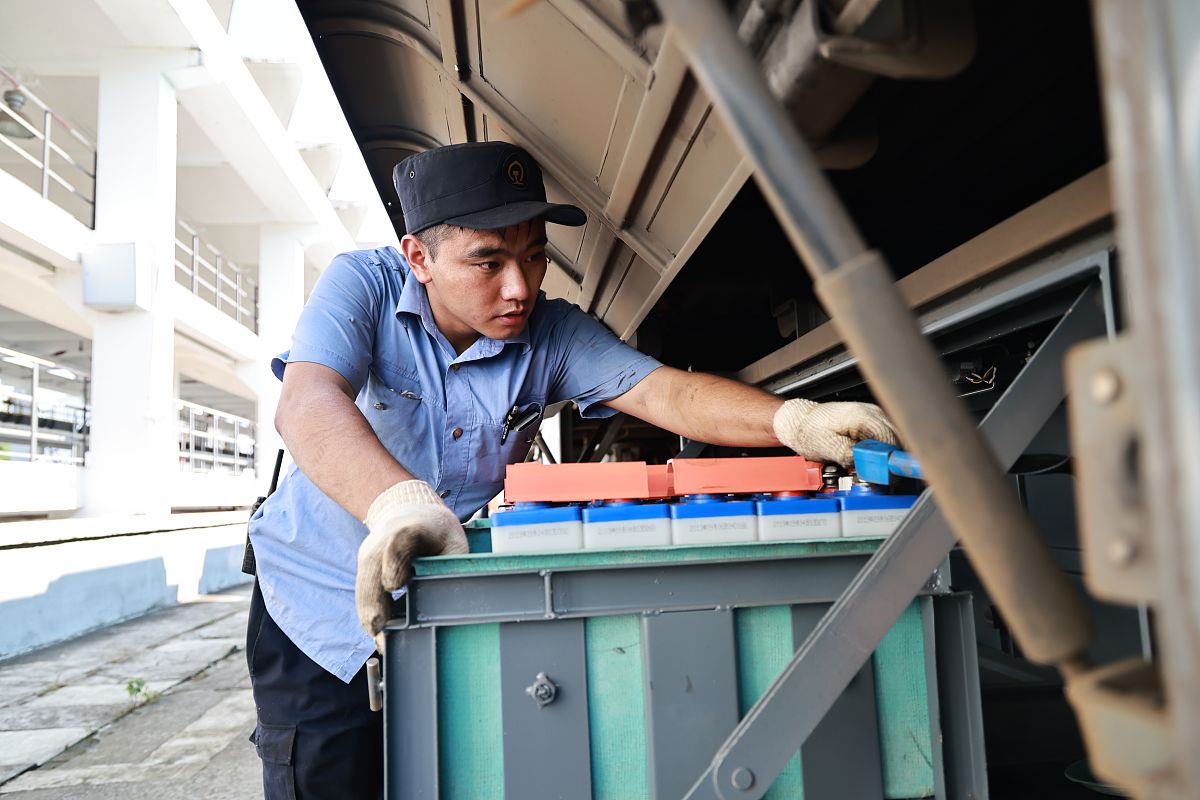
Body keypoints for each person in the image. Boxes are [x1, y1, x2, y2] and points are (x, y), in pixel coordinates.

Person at [245, 141, 897, 798]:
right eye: (488, 261)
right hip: (318, 607)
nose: (520, 287)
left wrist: (793, 421)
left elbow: (663, 391)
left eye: (534, 256)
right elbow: (306, 402)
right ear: (420, 258)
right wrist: (397, 503)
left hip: (436, 603)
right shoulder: (363, 284)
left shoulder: (550, 334)